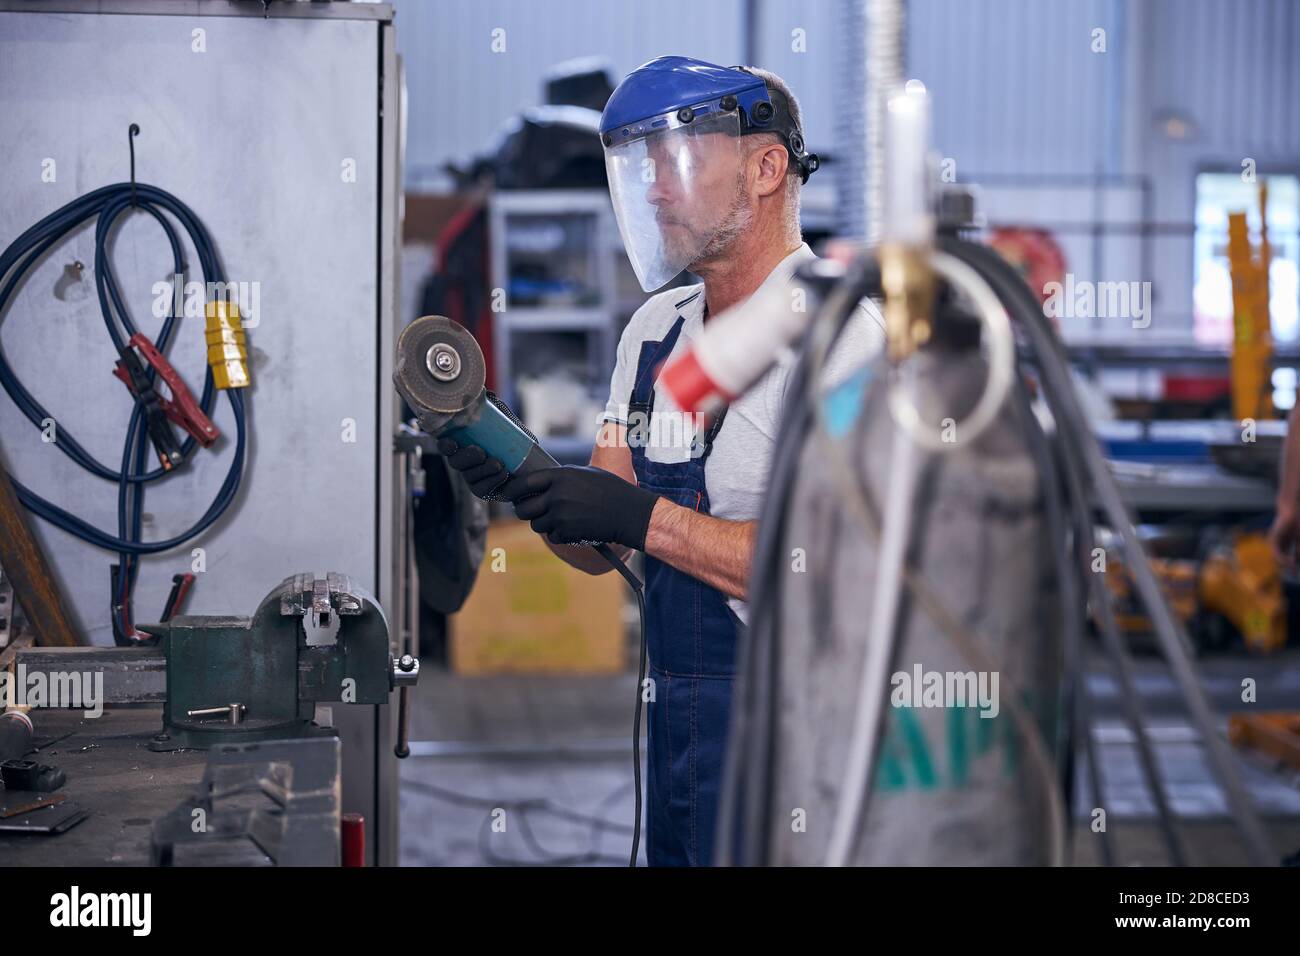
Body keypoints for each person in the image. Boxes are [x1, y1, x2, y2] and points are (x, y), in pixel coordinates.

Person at [442, 56, 882, 865]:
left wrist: (642, 517)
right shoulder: (656, 333)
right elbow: (603, 539)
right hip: (680, 724)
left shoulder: (841, 336)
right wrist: (532, 488)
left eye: (675, 163)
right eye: (641, 168)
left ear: (764, 167)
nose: (651, 191)